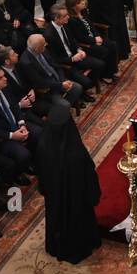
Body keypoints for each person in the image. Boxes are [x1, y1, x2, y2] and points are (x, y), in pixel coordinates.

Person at [33, 101, 102, 264]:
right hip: (76, 198)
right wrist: (93, 195)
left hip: (54, 196)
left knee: (57, 218)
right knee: (78, 219)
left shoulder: (43, 144)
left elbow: (40, 171)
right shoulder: (76, 151)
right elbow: (89, 175)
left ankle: (57, 246)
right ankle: (80, 246)